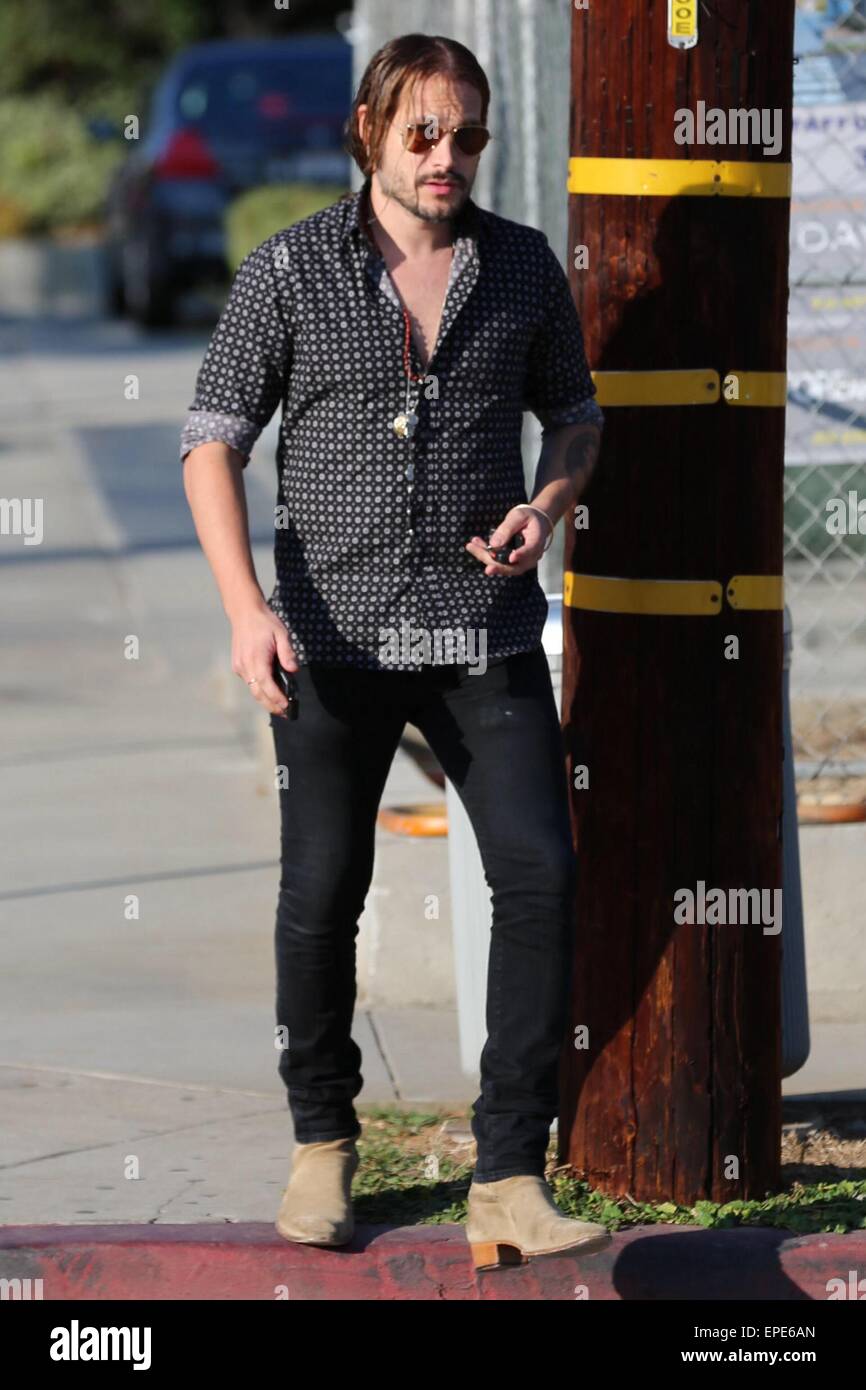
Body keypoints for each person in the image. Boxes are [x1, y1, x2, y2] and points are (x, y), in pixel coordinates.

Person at [181, 32, 611, 1270]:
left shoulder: (520, 268)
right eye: (421, 132)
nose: (445, 157)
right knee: (320, 894)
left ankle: (507, 1174)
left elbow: (573, 417)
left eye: (466, 135)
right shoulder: (290, 271)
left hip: (480, 635)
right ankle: (323, 1141)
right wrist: (243, 605)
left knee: (539, 874)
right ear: (369, 131)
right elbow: (212, 440)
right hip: (326, 642)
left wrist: (547, 504)